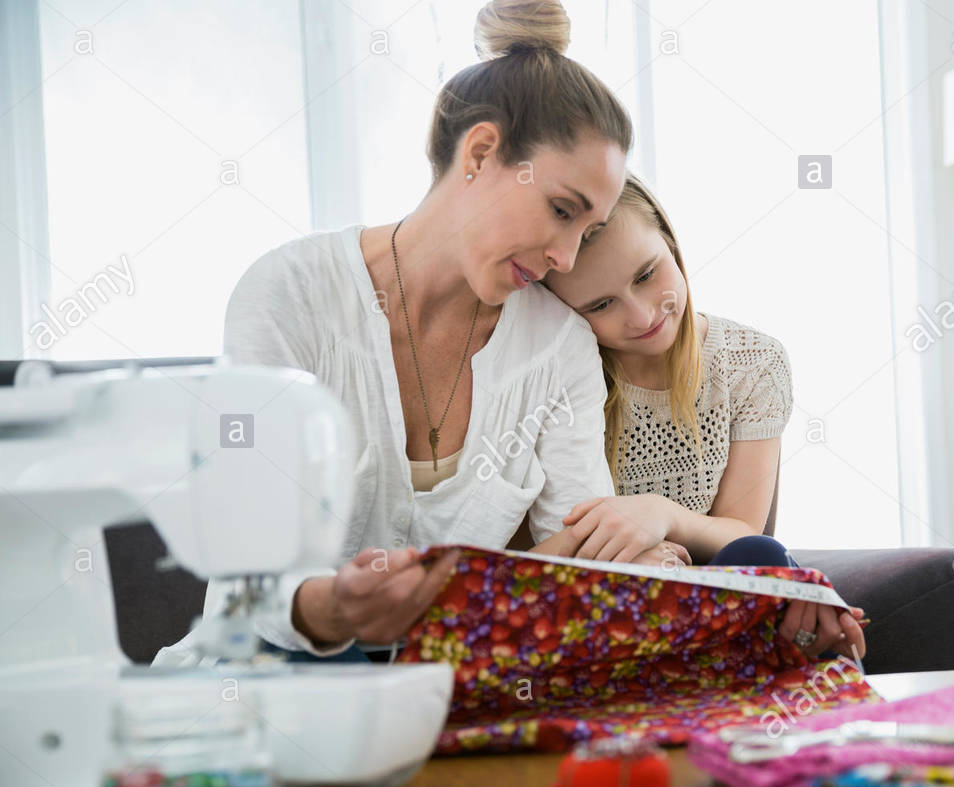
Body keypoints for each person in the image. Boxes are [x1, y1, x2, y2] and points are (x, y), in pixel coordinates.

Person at [157, 0, 682, 666]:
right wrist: (333, 609)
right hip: (264, 688)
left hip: (449, 692)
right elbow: (247, 569)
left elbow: (581, 551)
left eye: (587, 231)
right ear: (483, 151)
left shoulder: (558, 344)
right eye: (560, 211)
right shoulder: (289, 295)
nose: (567, 260)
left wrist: (652, 567)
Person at [543, 174, 865, 662]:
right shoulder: (557, 381)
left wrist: (663, 515)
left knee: (765, 560)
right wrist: (634, 559)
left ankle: (820, 703)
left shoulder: (751, 362)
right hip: (604, 605)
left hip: (714, 599)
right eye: (601, 304)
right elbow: (527, 554)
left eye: (647, 274)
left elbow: (744, 532)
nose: (641, 314)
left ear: (670, 245)